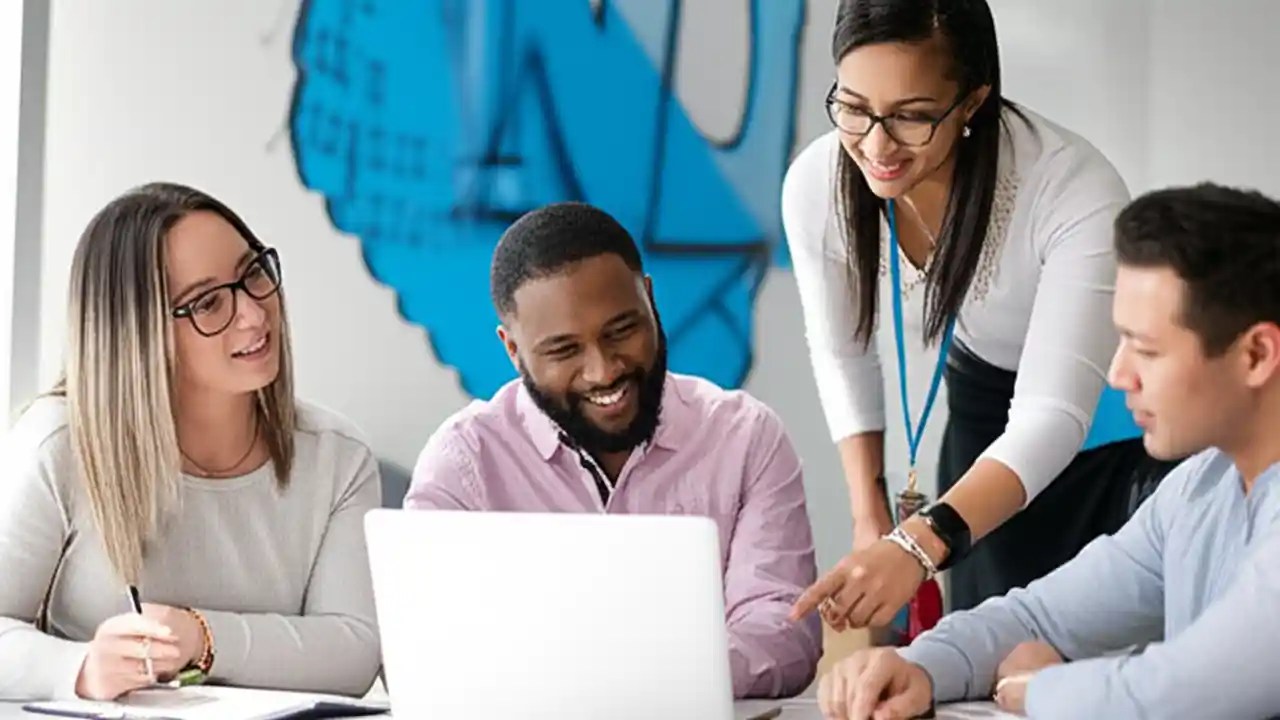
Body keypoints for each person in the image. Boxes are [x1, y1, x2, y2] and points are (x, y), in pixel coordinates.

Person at [816, 182, 1280, 720]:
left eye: (1147, 350)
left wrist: (1041, 688)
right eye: (1120, 341)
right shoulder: (1199, 488)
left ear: (1256, 354)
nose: (1119, 374)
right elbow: (1038, 617)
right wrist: (917, 667)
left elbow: (1189, 690)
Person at [782, 0, 1178, 628]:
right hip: (986, 426)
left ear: (971, 102)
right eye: (854, 108)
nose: (876, 145)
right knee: (979, 658)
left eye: (912, 117)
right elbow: (841, 350)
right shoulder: (817, 183)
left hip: (1118, 439)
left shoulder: (1071, 189)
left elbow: (1052, 415)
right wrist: (870, 520)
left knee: (1102, 654)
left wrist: (918, 543)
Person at [404, 202, 822, 698]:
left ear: (649, 299)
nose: (603, 371)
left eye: (622, 331)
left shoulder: (745, 436)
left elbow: (784, 630)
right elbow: (421, 647)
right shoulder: (463, 463)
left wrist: (643, 680)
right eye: (564, 350)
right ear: (513, 351)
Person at [0, 183, 382, 701]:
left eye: (253, 273)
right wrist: (81, 668)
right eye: (206, 303)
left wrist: (200, 637)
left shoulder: (339, 457)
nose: (252, 313)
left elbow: (354, 652)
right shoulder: (60, 444)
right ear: (136, 331)